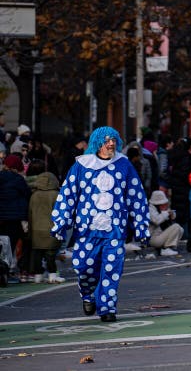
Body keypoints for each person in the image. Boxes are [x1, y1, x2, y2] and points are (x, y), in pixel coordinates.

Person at [50, 126, 150, 322]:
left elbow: (136, 197)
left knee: (112, 269)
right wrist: (61, 222)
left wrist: (141, 226)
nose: (111, 143)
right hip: (87, 230)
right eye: (106, 140)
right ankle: (88, 295)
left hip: (115, 230)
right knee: (82, 267)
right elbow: (67, 195)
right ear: (97, 143)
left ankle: (107, 308)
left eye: (113, 139)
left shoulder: (124, 165)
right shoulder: (81, 166)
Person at [27, 171, 65, 283]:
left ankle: (38, 276)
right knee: (50, 253)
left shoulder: (34, 195)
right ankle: (52, 275)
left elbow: (30, 213)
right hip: (51, 228)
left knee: (37, 253)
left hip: (36, 228)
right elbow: (61, 212)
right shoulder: (56, 195)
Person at [0, 154, 32, 283]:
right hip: (13, 218)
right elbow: (27, 194)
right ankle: (5, 271)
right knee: (10, 246)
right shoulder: (18, 179)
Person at [147, 190, 181, 256]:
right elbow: (156, 221)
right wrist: (166, 213)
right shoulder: (150, 210)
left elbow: (170, 219)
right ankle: (166, 249)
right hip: (153, 238)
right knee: (176, 226)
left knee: (180, 229)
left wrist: (171, 214)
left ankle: (169, 248)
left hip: (160, 235)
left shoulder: (160, 209)